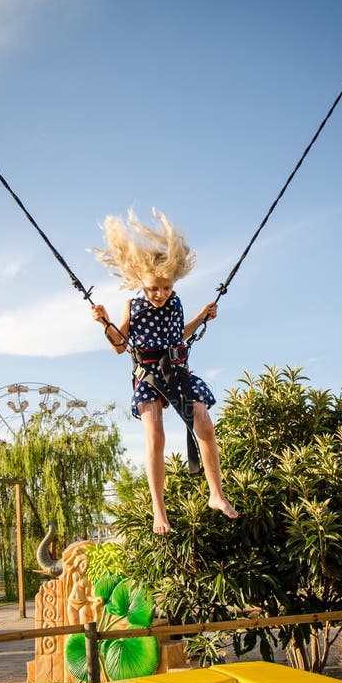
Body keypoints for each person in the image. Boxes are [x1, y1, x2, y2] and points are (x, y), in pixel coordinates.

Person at [91, 208, 238, 534]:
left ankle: (216, 493)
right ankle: (160, 512)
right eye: (153, 288)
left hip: (178, 372)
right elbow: (119, 344)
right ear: (141, 281)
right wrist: (105, 323)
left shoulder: (177, 303)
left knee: (204, 422)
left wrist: (201, 316)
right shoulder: (133, 304)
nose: (159, 294)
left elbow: (178, 335)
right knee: (155, 435)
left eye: (166, 288)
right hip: (149, 377)